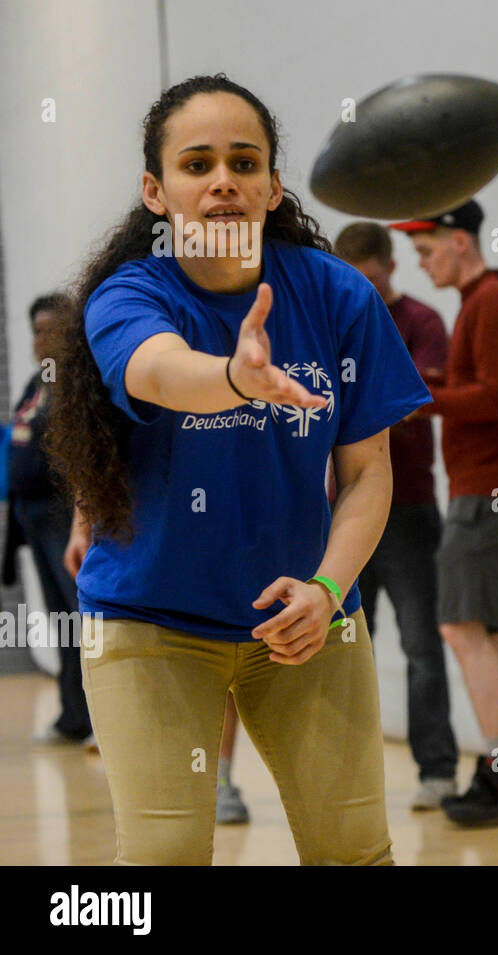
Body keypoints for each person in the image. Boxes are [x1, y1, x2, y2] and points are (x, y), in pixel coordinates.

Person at [47, 73, 430, 865]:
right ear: (156, 190)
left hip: (304, 617)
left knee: (355, 850)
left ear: (273, 185)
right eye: (197, 164)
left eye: (244, 161)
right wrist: (231, 377)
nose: (223, 179)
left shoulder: (338, 297)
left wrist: (327, 590)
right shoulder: (128, 296)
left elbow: (366, 476)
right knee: (164, 858)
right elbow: (157, 369)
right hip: (151, 618)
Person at [392, 201, 498, 826]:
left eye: (426, 251)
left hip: (487, 491)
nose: (422, 266)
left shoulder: (491, 303)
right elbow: (485, 386)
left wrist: (419, 398)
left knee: (460, 627)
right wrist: (435, 382)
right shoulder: (492, 302)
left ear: (458, 242)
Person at [334, 221, 460, 810]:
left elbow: (422, 394)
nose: (363, 287)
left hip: (408, 510)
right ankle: (344, 778)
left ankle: (437, 771)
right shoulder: (332, 326)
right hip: (341, 516)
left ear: (391, 267)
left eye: (372, 277)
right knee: (343, 649)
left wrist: (362, 407)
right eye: (352, 278)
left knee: (421, 646)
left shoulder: (423, 322)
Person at [4, 293, 94, 746]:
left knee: (82, 616)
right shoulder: (35, 384)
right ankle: (72, 717)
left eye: (49, 329)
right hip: (34, 518)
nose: (40, 340)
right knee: (61, 619)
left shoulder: (75, 383)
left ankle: (98, 720)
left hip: (64, 518)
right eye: (35, 330)